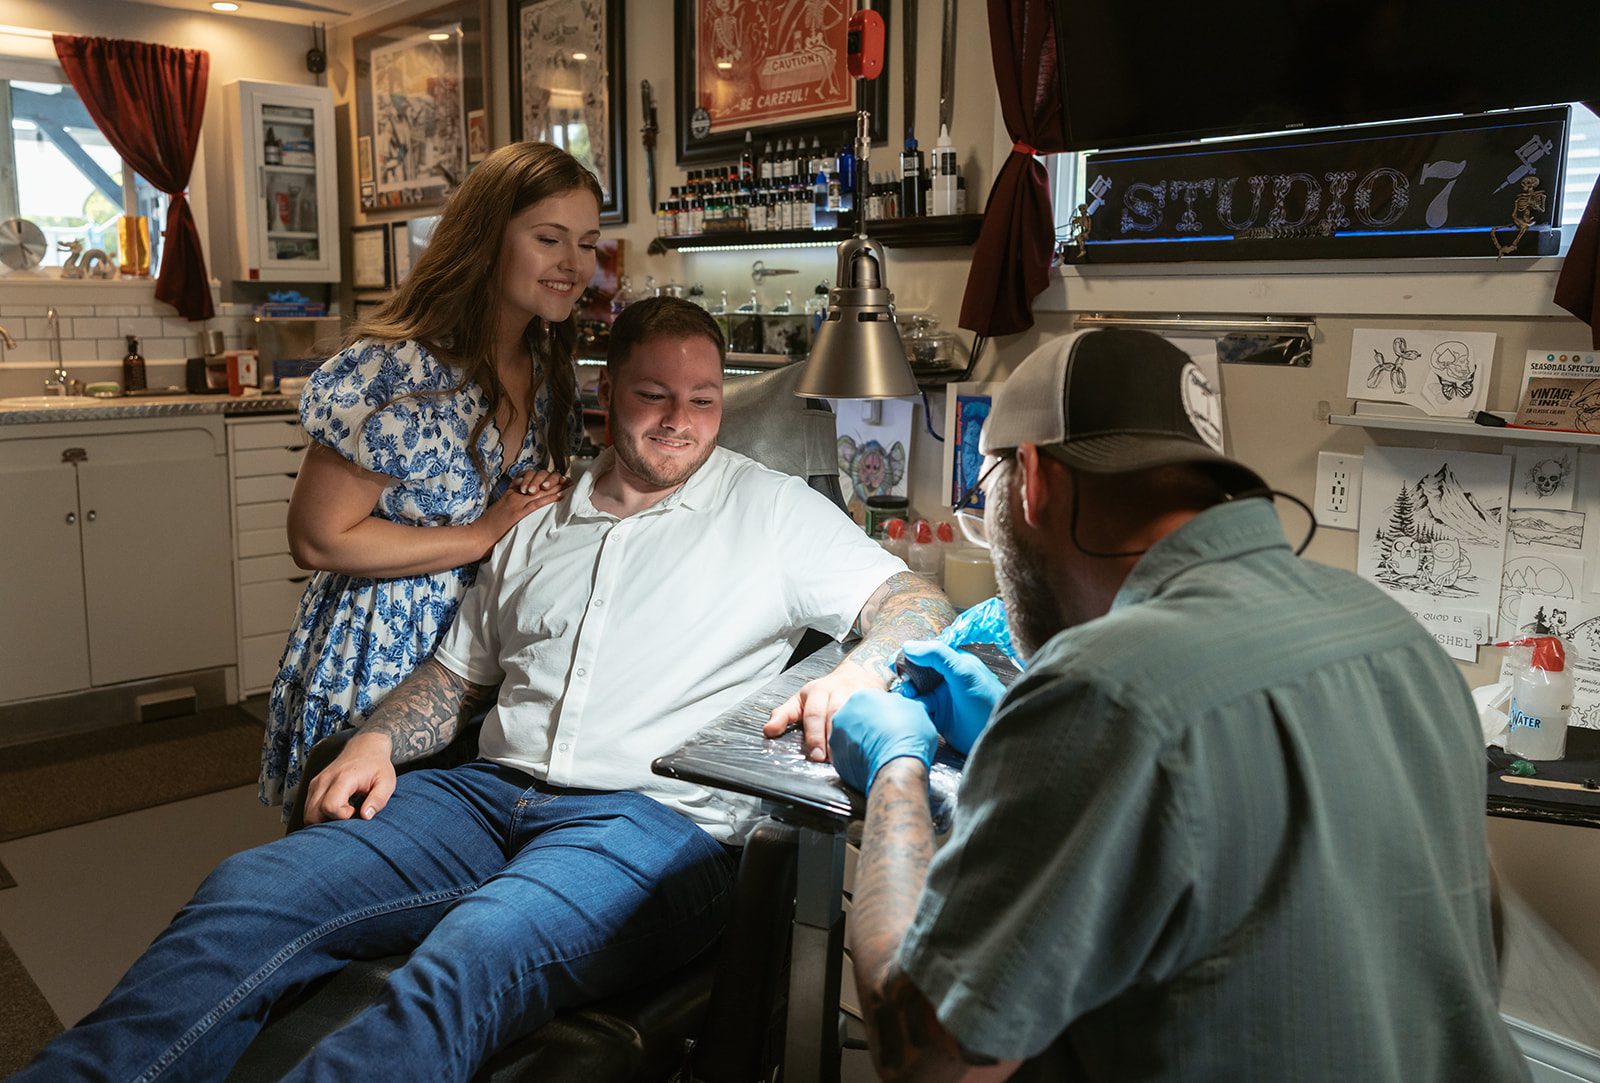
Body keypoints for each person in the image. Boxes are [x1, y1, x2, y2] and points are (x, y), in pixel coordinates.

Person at [17, 297, 955, 1083]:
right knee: (250, 890)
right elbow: (458, 672)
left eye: (704, 399)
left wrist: (856, 667)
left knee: (473, 954)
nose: (682, 420)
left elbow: (915, 597)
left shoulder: (771, 509)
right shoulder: (537, 522)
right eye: (655, 395)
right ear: (604, 394)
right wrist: (377, 739)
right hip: (482, 795)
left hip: (650, 826)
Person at [828, 329, 1530, 1081]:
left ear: (1031, 478)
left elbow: (929, 1055)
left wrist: (896, 765)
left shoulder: (1099, 685)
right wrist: (1011, 724)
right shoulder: (1394, 636)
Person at [261, 141, 598, 814]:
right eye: (548, 238)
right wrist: (479, 534)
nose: (573, 264)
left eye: (587, 243)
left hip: (485, 655)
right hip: (387, 658)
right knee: (352, 871)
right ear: (486, 239)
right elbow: (317, 539)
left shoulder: (547, 365)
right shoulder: (396, 368)